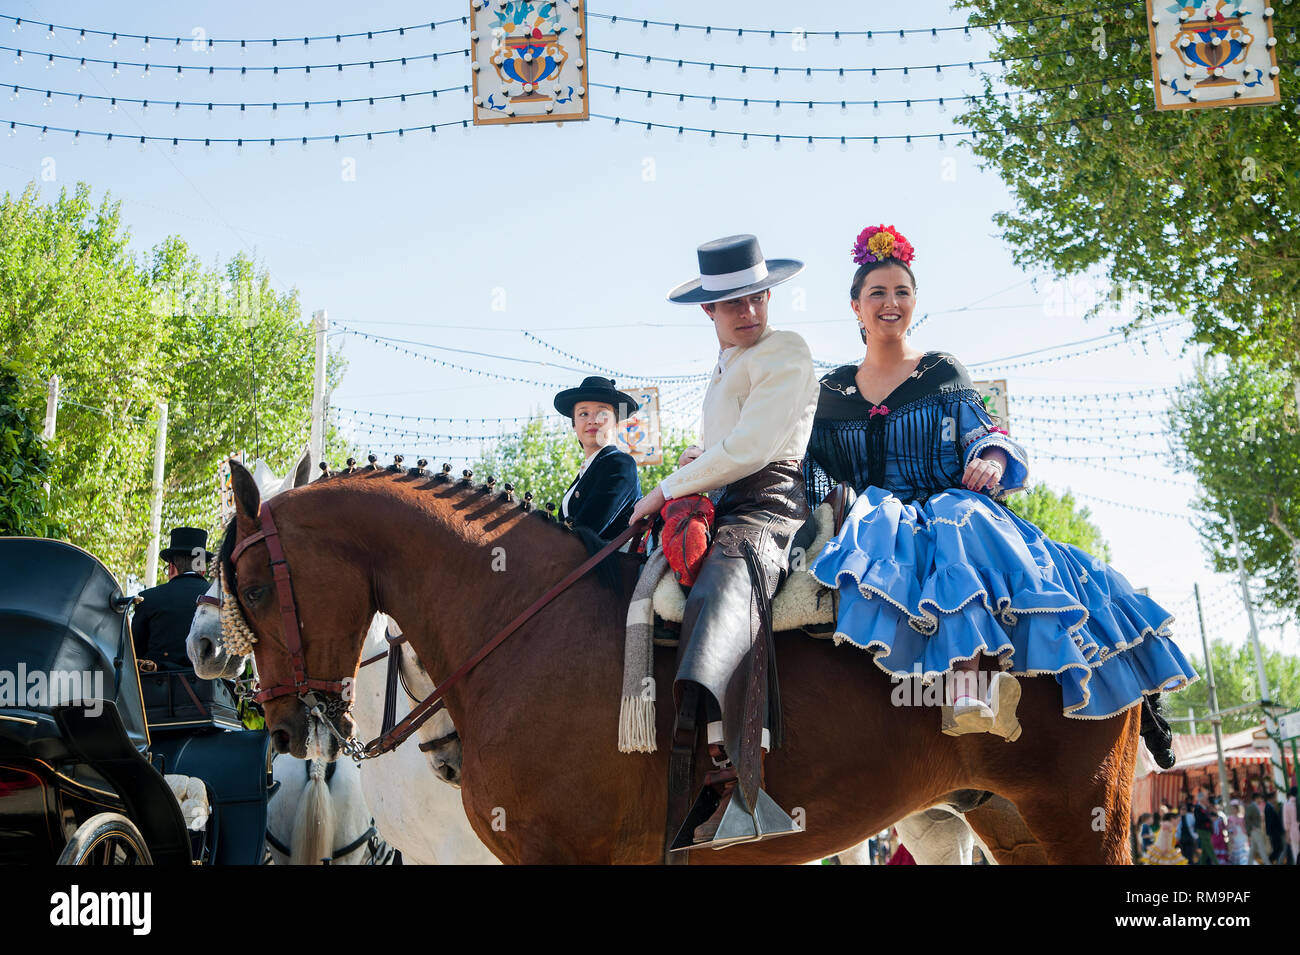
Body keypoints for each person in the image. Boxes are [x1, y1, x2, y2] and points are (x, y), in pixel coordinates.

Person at [805, 224, 1198, 745]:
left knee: (960, 520)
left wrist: (989, 458)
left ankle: (976, 689)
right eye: (877, 292)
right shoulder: (829, 391)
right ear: (855, 306)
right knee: (868, 525)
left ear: (915, 302)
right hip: (874, 518)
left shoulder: (941, 371)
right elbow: (806, 462)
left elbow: (983, 434)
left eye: (902, 291)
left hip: (950, 507)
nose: (890, 302)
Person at [628, 234, 818, 849]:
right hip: (729, 497)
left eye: (758, 297)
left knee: (722, 586)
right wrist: (697, 461)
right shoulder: (727, 363)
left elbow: (754, 449)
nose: (751, 312)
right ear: (708, 311)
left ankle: (740, 779)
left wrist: (665, 489)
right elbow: (727, 445)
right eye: (734, 303)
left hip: (770, 504)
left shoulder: (785, 350)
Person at [552, 376, 642, 540]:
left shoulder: (620, 465)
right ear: (574, 425)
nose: (592, 421)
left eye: (602, 413)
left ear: (616, 423)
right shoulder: (585, 472)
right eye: (583, 413)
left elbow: (587, 531)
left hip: (612, 563)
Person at [132, 527, 213, 671]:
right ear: (203, 570)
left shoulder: (147, 598)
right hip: (214, 688)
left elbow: (134, 654)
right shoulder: (220, 597)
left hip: (155, 690)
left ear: (171, 568)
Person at [1244, 792, 1271, 864]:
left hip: (1256, 829)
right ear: (1256, 798)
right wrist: (1251, 828)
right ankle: (1267, 863)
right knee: (1261, 848)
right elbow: (1246, 818)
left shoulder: (1255, 806)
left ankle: (1249, 863)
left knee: (1253, 849)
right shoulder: (1252, 806)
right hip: (1255, 830)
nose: (1261, 799)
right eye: (1260, 798)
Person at [1226, 799, 1249, 865]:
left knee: (1244, 851)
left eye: (1234, 809)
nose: (1233, 810)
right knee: (1237, 852)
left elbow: (1245, 827)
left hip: (1242, 835)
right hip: (1236, 837)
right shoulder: (1230, 818)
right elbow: (1229, 830)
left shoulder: (1241, 817)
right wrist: (1230, 837)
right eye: (1232, 809)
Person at [1285, 786, 1299, 865]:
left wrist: (1287, 836)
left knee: (1296, 854)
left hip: (1293, 832)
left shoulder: (1287, 805)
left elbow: (1287, 822)